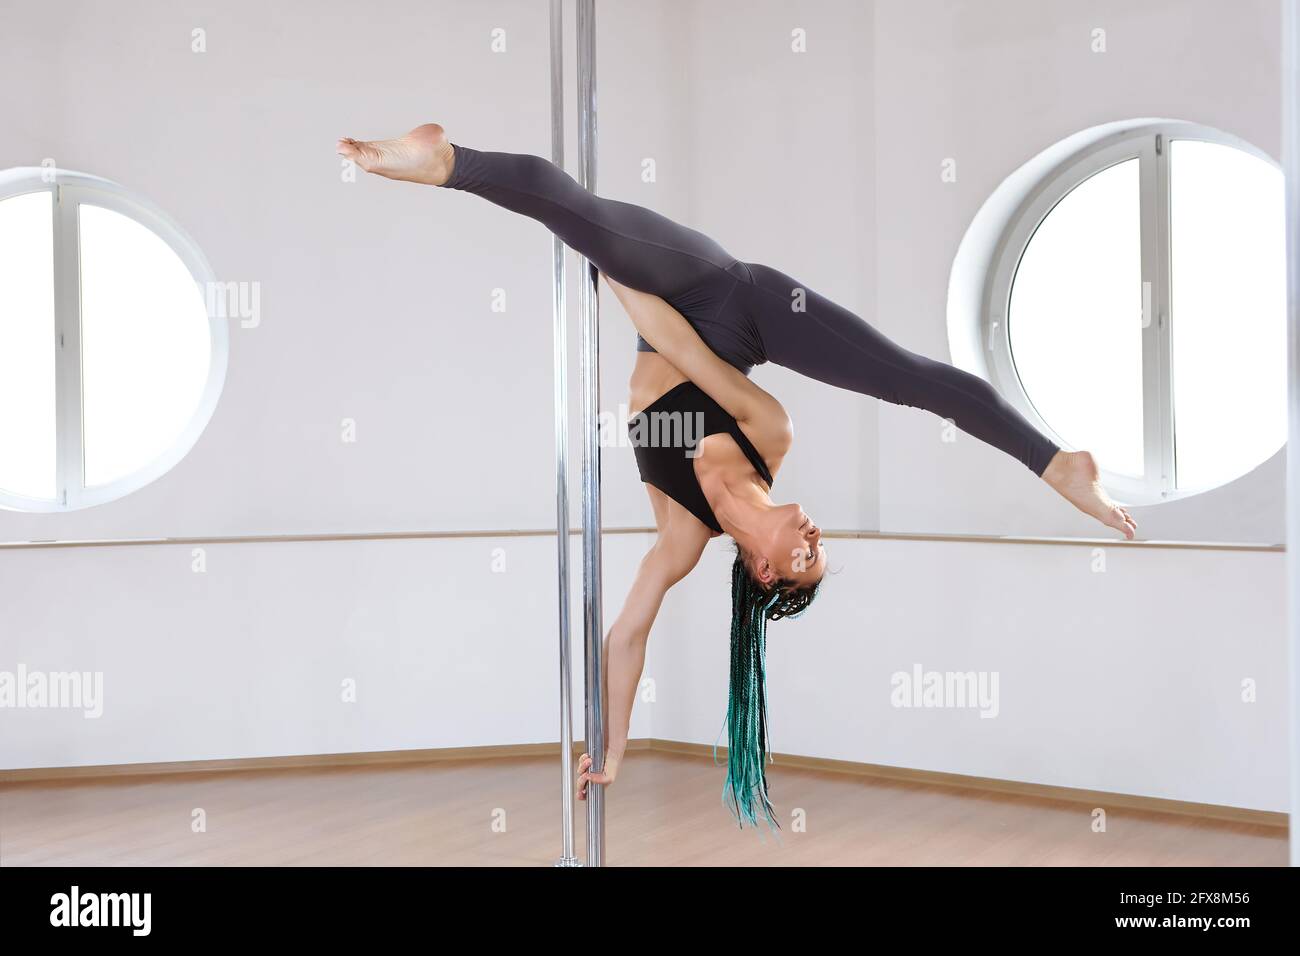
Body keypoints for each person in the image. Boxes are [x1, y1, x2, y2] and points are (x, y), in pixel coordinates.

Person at [337, 124, 1138, 828]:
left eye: (804, 555)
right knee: (906, 377)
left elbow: (625, 636)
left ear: (759, 567)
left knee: (591, 226)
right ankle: (1055, 461)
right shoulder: (771, 434)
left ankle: (447, 163)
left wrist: (611, 749)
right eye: (816, 548)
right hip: (735, 296)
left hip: (669, 323)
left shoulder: (681, 537)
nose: (814, 536)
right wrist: (617, 276)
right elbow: (694, 355)